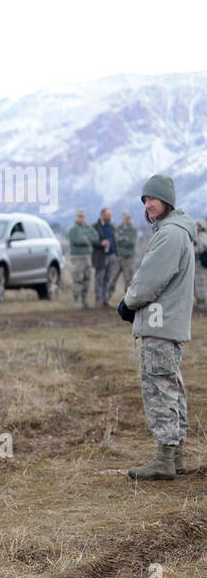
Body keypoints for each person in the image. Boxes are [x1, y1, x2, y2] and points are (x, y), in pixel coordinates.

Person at [117, 175, 195, 480]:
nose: (148, 204)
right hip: (168, 322)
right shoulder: (175, 230)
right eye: (145, 199)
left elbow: (149, 281)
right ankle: (174, 456)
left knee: (159, 387)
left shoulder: (170, 234)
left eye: (154, 199)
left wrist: (128, 303)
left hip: (160, 323)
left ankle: (165, 458)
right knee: (171, 385)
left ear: (168, 201)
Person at [67, 209, 99, 308]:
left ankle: (84, 300)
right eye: (79, 216)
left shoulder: (87, 227)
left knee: (87, 278)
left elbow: (95, 237)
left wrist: (86, 238)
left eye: (83, 216)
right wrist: (87, 239)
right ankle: (76, 301)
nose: (81, 218)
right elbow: (78, 240)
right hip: (77, 257)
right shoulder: (73, 228)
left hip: (87, 257)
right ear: (76, 217)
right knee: (77, 279)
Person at [111, 210, 139, 299]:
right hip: (119, 257)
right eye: (125, 218)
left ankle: (128, 300)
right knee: (112, 277)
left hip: (129, 258)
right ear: (122, 219)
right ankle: (105, 299)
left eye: (128, 218)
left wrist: (121, 239)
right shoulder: (118, 228)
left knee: (129, 280)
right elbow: (116, 241)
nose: (127, 220)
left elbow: (131, 242)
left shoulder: (133, 229)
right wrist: (124, 239)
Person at [93, 208, 118, 307]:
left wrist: (116, 253)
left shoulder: (111, 226)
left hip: (112, 255)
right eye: (108, 215)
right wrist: (101, 243)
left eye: (110, 215)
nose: (110, 217)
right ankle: (99, 300)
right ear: (102, 215)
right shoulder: (95, 227)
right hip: (101, 257)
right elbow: (92, 240)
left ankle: (105, 300)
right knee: (99, 278)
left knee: (108, 279)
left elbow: (115, 239)